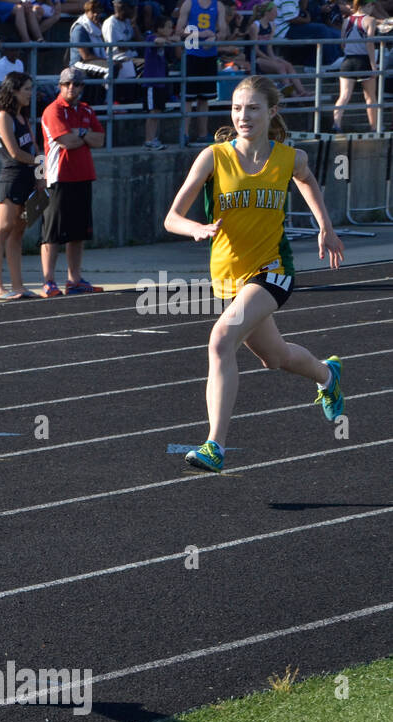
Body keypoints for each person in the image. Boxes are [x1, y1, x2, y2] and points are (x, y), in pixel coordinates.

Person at [163, 75, 345, 474]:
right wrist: (195, 228)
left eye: (253, 108)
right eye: (236, 108)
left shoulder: (288, 158)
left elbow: (308, 181)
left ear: (272, 111)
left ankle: (215, 445)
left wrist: (325, 227)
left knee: (221, 340)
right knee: (275, 358)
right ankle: (326, 374)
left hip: (273, 271)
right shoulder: (214, 157)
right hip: (229, 276)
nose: (243, 116)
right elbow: (171, 217)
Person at [39, 67, 104, 297]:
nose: (71, 88)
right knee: (52, 233)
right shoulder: (53, 110)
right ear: (60, 85)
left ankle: (74, 279)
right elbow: (67, 141)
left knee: (78, 233)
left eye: (75, 84)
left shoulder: (86, 110)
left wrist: (81, 135)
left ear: (82, 87)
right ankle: (48, 281)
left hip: (83, 175)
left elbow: (99, 139)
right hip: (59, 177)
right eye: (66, 84)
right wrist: (84, 135)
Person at [0, 72, 39, 299]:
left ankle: (18, 285)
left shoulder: (23, 116)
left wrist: (41, 175)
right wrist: (41, 161)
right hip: (11, 177)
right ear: (14, 91)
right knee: (2, 230)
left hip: (28, 177)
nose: (30, 93)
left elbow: (34, 150)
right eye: (26, 89)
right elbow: (14, 152)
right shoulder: (3, 116)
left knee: (18, 231)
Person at [176, 0, 228, 144]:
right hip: (192, 54)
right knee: (188, 98)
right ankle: (184, 134)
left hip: (209, 55)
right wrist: (199, 34)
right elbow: (179, 30)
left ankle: (203, 134)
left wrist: (215, 37)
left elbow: (224, 30)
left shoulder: (218, 5)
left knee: (205, 98)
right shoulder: (189, 4)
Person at [332, 0, 379, 132]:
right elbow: (369, 43)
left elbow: (343, 43)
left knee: (344, 95)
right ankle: (373, 127)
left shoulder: (347, 20)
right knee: (370, 97)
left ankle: (336, 124)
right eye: (373, 5)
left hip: (348, 61)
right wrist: (373, 65)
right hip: (363, 61)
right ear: (369, 5)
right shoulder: (370, 20)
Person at [248, 3, 308, 100]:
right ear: (267, 12)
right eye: (275, 11)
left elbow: (269, 47)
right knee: (280, 67)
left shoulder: (272, 25)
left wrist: (273, 58)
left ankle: (301, 91)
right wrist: (270, 59)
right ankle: (291, 93)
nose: (277, 14)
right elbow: (255, 49)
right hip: (256, 58)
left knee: (288, 65)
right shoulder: (255, 26)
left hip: (266, 56)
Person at [140, 15, 180, 149]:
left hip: (160, 83)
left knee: (157, 112)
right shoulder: (151, 37)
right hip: (152, 83)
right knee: (152, 113)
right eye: (168, 27)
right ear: (159, 28)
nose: (171, 29)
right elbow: (157, 41)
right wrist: (169, 40)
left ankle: (153, 138)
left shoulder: (166, 41)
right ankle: (148, 140)